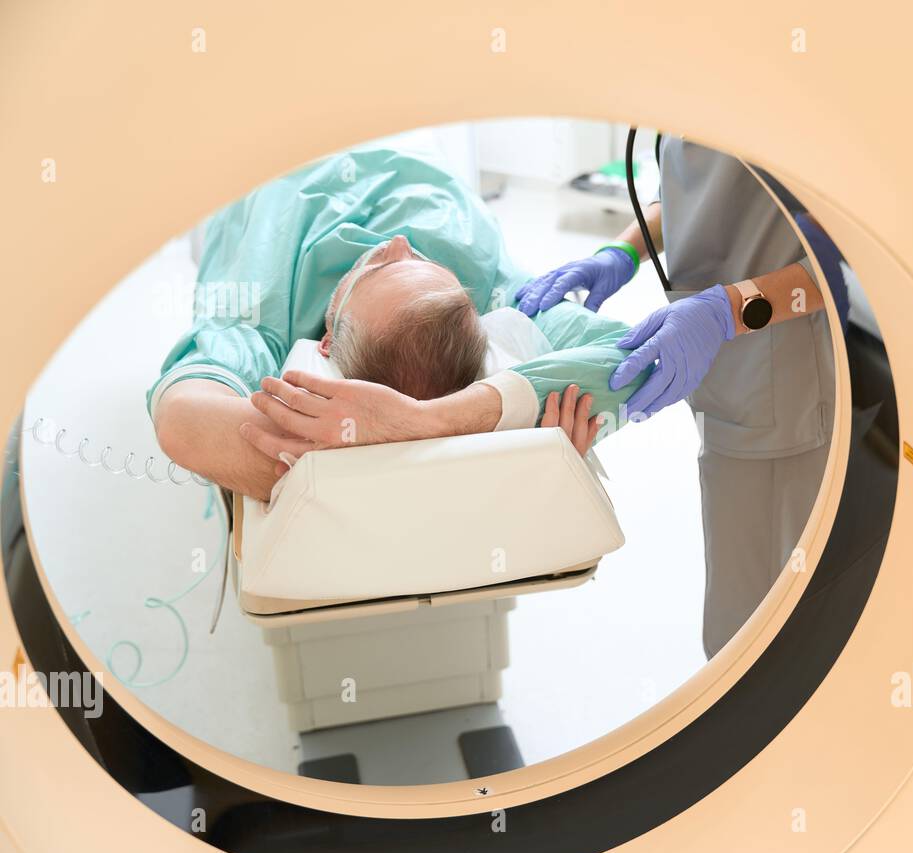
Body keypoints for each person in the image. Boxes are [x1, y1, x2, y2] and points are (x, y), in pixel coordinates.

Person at [151, 148, 649, 500]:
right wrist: (506, 437)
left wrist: (385, 439)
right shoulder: (490, 287)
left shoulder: (263, 304)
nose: (397, 243)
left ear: (327, 342)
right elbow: (637, 357)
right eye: (417, 262)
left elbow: (181, 421)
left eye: (380, 269)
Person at [514, 137, 837, 658]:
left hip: (784, 386)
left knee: (768, 637)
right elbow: (691, 192)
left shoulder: (787, 84)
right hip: (729, 383)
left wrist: (729, 310)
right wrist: (622, 251)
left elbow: (850, 255)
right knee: (738, 634)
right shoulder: (684, 83)